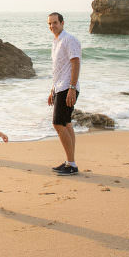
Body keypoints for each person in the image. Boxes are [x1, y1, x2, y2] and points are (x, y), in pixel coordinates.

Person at [47, 12, 82, 176]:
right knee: (66, 123)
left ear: (62, 23)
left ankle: (72, 164)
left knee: (58, 123)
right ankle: (70, 162)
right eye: (50, 23)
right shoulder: (56, 42)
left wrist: (72, 88)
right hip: (59, 88)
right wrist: (52, 89)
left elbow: (76, 63)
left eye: (55, 22)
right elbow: (59, 69)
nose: (52, 26)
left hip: (67, 88)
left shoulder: (69, 39)